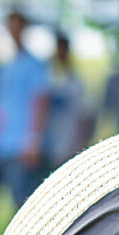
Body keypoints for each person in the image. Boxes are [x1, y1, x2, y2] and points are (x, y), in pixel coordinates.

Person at [0, 9, 49, 206]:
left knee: (25, 203)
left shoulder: (35, 65)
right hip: (2, 146)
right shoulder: (4, 66)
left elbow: (40, 102)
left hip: (22, 147)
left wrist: (33, 140)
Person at [41, 30, 90, 171]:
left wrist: (81, 144)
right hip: (47, 149)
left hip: (69, 148)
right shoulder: (46, 79)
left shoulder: (76, 83)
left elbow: (84, 117)